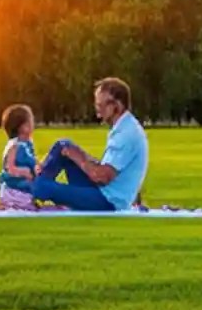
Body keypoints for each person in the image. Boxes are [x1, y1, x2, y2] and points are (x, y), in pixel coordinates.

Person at [31, 77, 148, 211]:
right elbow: (111, 168)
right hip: (105, 192)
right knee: (63, 145)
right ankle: (36, 184)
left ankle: (30, 190)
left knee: (43, 186)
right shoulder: (124, 127)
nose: (98, 112)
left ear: (117, 105)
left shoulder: (126, 133)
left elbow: (102, 177)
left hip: (108, 201)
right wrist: (76, 153)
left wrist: (78, 157)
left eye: (100, 106)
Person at [0, 104, 38, 210]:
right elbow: (9, 168)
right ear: (23, 126)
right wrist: (24, 172)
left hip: (24, 187)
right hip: (13, 189)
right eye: (30, 121)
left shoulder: (28, 144)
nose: (33, 124)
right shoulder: (14, 145)